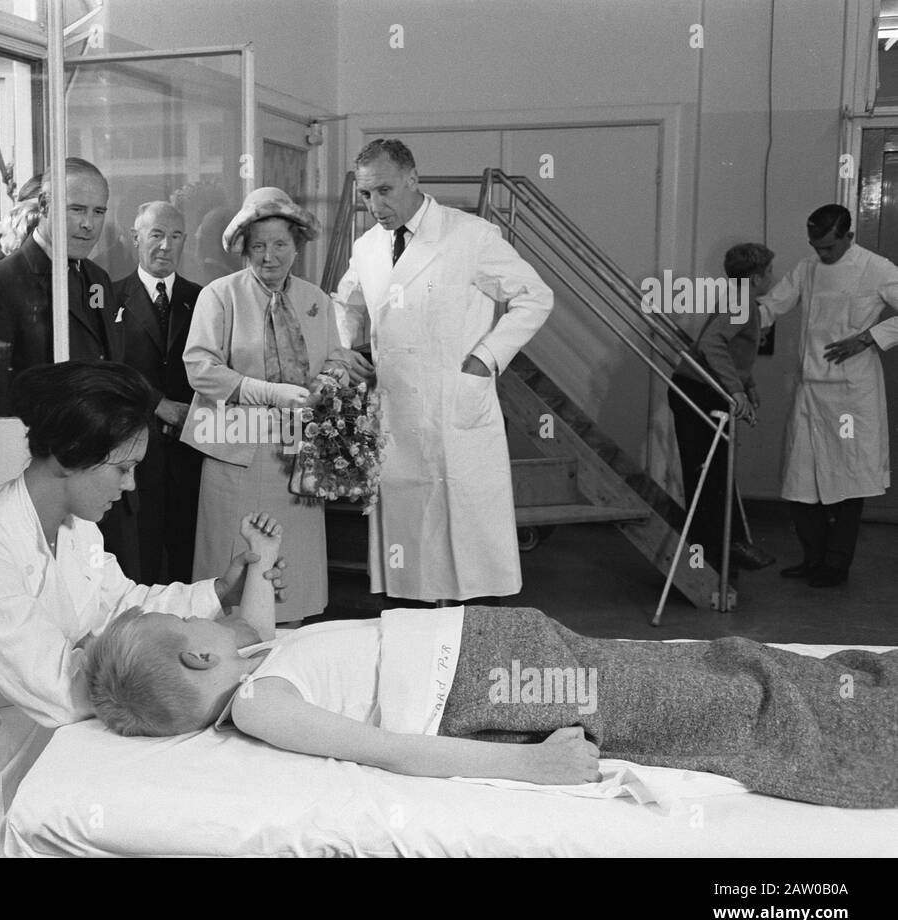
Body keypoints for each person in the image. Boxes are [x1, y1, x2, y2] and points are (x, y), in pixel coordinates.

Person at [84, 521, 898, 809]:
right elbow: (395, 751)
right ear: (195, 651)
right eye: (179, 616)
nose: (206, 615)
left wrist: (260, 562)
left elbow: (251, 624)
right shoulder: (260, 704)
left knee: (697, 673)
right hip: (486, 681)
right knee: (698, 703)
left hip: (494, 647)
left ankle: (838, 694)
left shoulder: (256, 663)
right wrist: (531, 768)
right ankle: (856, 721)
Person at [0, 361, 287, 857]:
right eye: (123, 469)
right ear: (71, 458)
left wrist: (221, 591)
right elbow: (59, 688)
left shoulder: (76, 528)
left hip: (33, 749)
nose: (131, 486)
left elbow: (124, 606)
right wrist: (174, 677)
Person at [332, 139, 553, 605]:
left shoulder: (469, 236)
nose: (376, 206)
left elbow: (535, 296)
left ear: (413, 179)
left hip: (453, 400)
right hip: (395, 407)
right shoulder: (368, 246)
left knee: (462, 537)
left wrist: (486, 358)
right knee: (409, 544)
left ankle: (460, 632)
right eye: (367, 195)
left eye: (386, 191)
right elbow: (344, 302)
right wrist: (342, 349)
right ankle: (418, 628)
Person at [181, 187, 369, 623]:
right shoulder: (220, 295)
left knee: (294, 570)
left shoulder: (315, 301)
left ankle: (288, 653)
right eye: (259, 246)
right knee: (234, 564)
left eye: (281, 244)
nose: (270, 256)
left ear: (297, 247)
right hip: (235, 452)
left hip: (297, 457)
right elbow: (199, 368)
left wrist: (328, 380)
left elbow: (336, 358)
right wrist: (267, 392)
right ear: (244, 249)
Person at [758, 204, 898, 588]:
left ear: (848, 237)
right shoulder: (807, 269)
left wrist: (869, 337)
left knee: (848, 481)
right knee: (800, 480)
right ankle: (813, 557)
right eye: (816, 246)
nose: (822, 254)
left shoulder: (876, 268)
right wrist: (734, 319)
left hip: (850, 398)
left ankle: (836, 564)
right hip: (810, 392)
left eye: (829, 248)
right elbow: (773, 305)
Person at [0, 157, 124, 418]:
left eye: (98, 211)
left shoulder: (97, 278)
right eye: (76, 209)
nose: (89, 224)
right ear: (43, 205)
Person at [667, 243, 777, 573]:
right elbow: (712, 344)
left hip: (703, 388)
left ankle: (728, 546)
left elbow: (734, 351)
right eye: (770, 271)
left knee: (714, 472)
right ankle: (716, 551)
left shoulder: (738, 298)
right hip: (699, 392)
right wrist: (736, 391)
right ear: (757, 276)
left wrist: (748, 385)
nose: (773, 277)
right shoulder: (742, 302)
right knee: (708, 474)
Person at [114, 201, 204, 583]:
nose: (166, 245)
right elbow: (109, 370)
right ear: (136, 238)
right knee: (139, 553)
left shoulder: (203, 298)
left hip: (192, 451)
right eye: (156, 235)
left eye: (175, 236)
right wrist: (158, 405)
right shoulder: (110, 297)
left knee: (190, 551)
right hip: (134, 451)